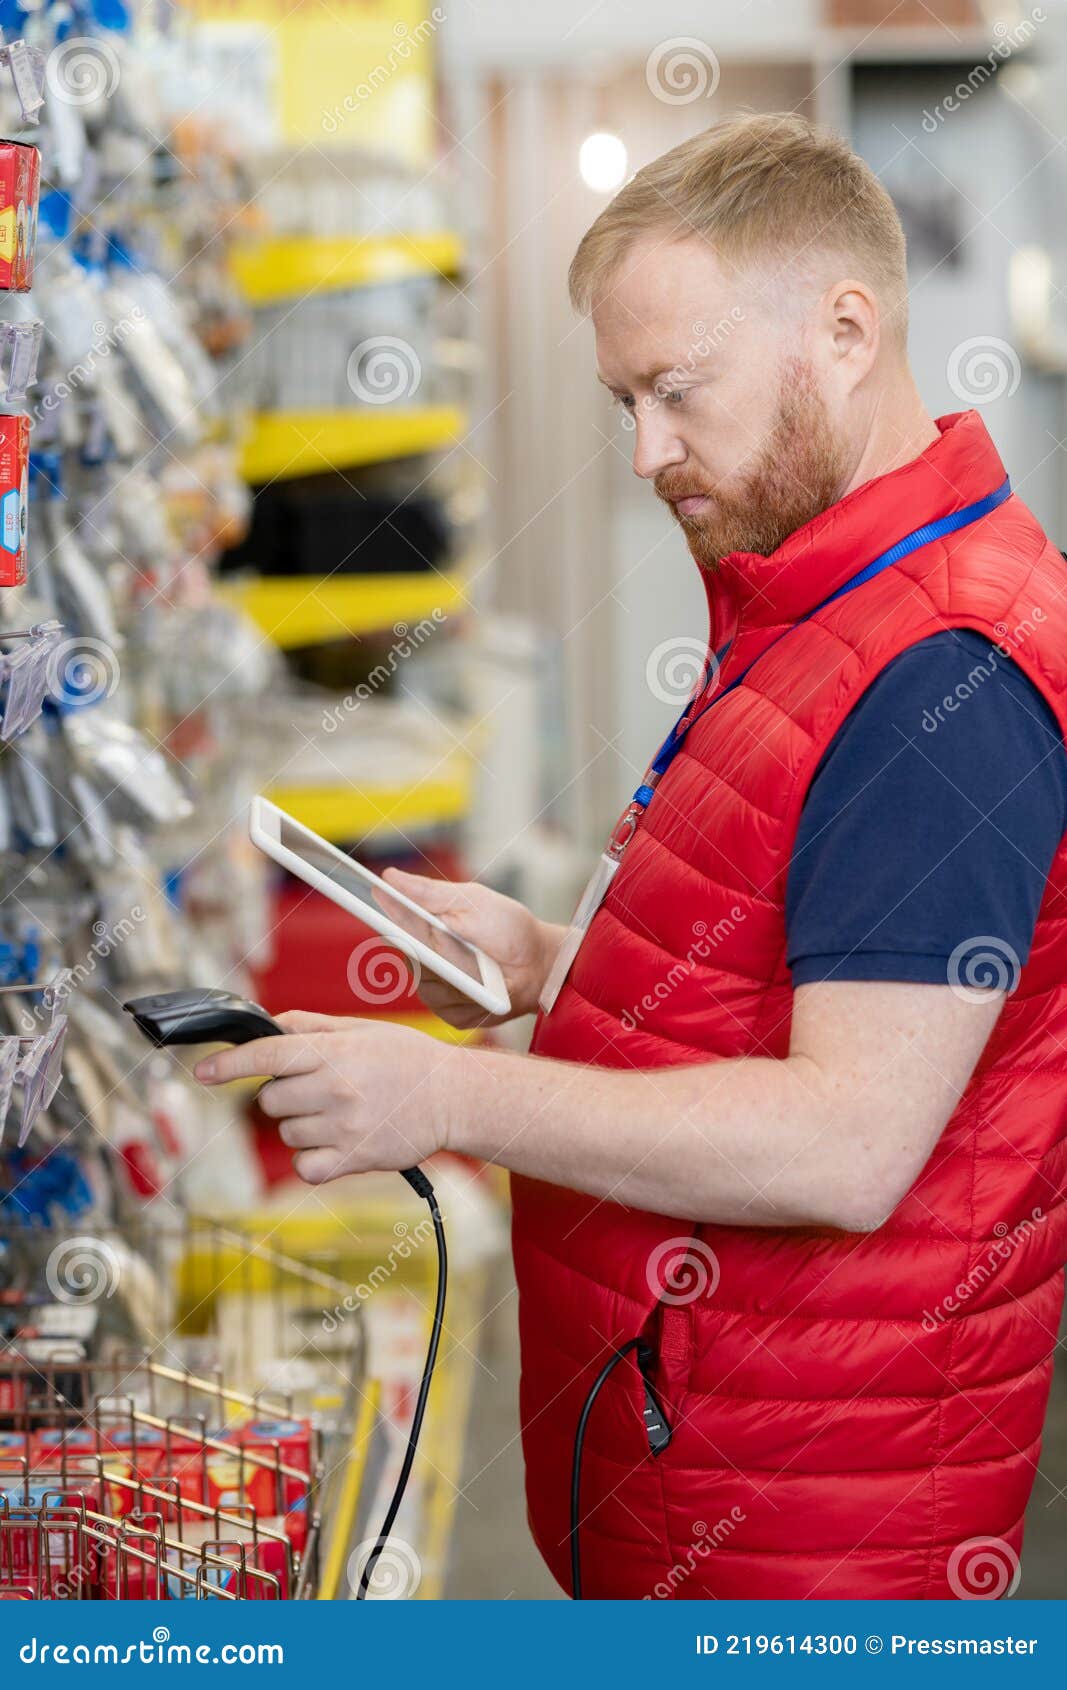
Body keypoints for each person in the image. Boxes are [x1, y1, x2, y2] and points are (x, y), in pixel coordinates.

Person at [197, 114, 1067, 1600]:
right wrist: (555, 962)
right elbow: (781, 956)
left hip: (803, 1534)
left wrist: (454, 1093)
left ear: (846, 331)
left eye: (678, 391)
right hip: (705, 1460)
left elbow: (845, 1142)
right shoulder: (812, 598)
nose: (651, 451)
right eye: (626, 403)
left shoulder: (943, 674)